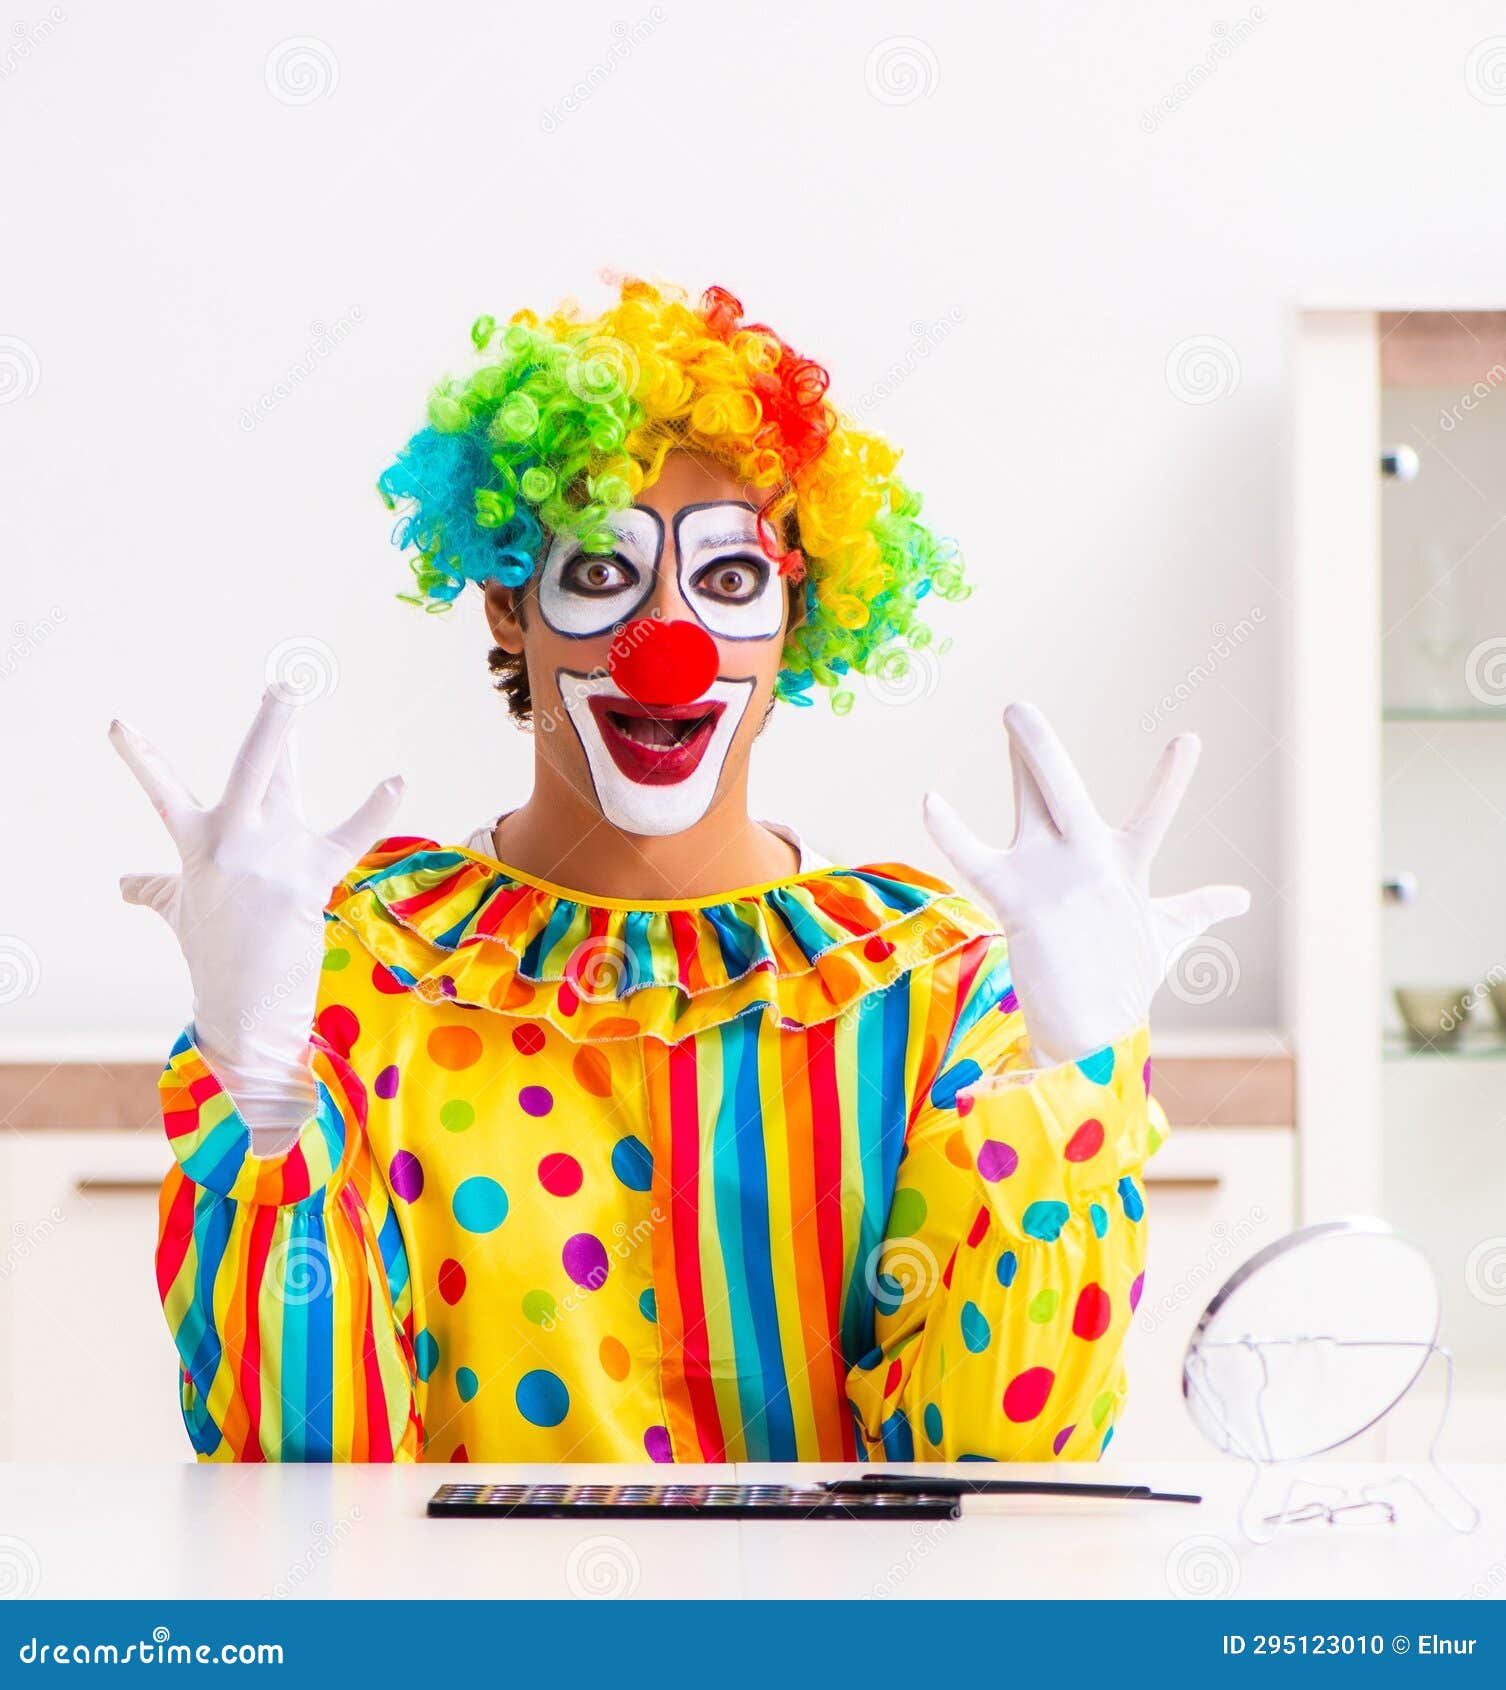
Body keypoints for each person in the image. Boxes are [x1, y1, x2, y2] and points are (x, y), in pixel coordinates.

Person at [113, 279, 1247, 1463]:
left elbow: (990, 1470)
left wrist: (1072, 1073)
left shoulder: (933, 987)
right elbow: (301, 1483)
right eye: (602, 574)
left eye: (730, 580)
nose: (672, 645)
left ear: (797, 622)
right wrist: (259, 1090)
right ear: (508, 605)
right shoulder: (356, 967)